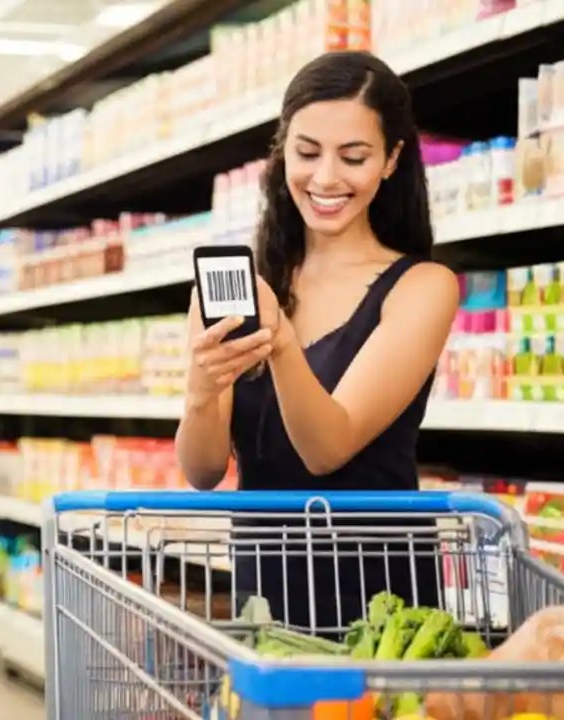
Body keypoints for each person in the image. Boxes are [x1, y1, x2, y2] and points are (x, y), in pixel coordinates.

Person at [175, 52, 459, 633]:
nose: (326, 178)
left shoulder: (422, 288)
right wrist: (201, 390)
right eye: (306, 153)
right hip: (264, 596)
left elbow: (326, 448)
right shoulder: (243, 287)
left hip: (381, 605)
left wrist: (281, 345)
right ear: (281, 156)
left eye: (353, 157)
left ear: (391, 160)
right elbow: (202, 472)